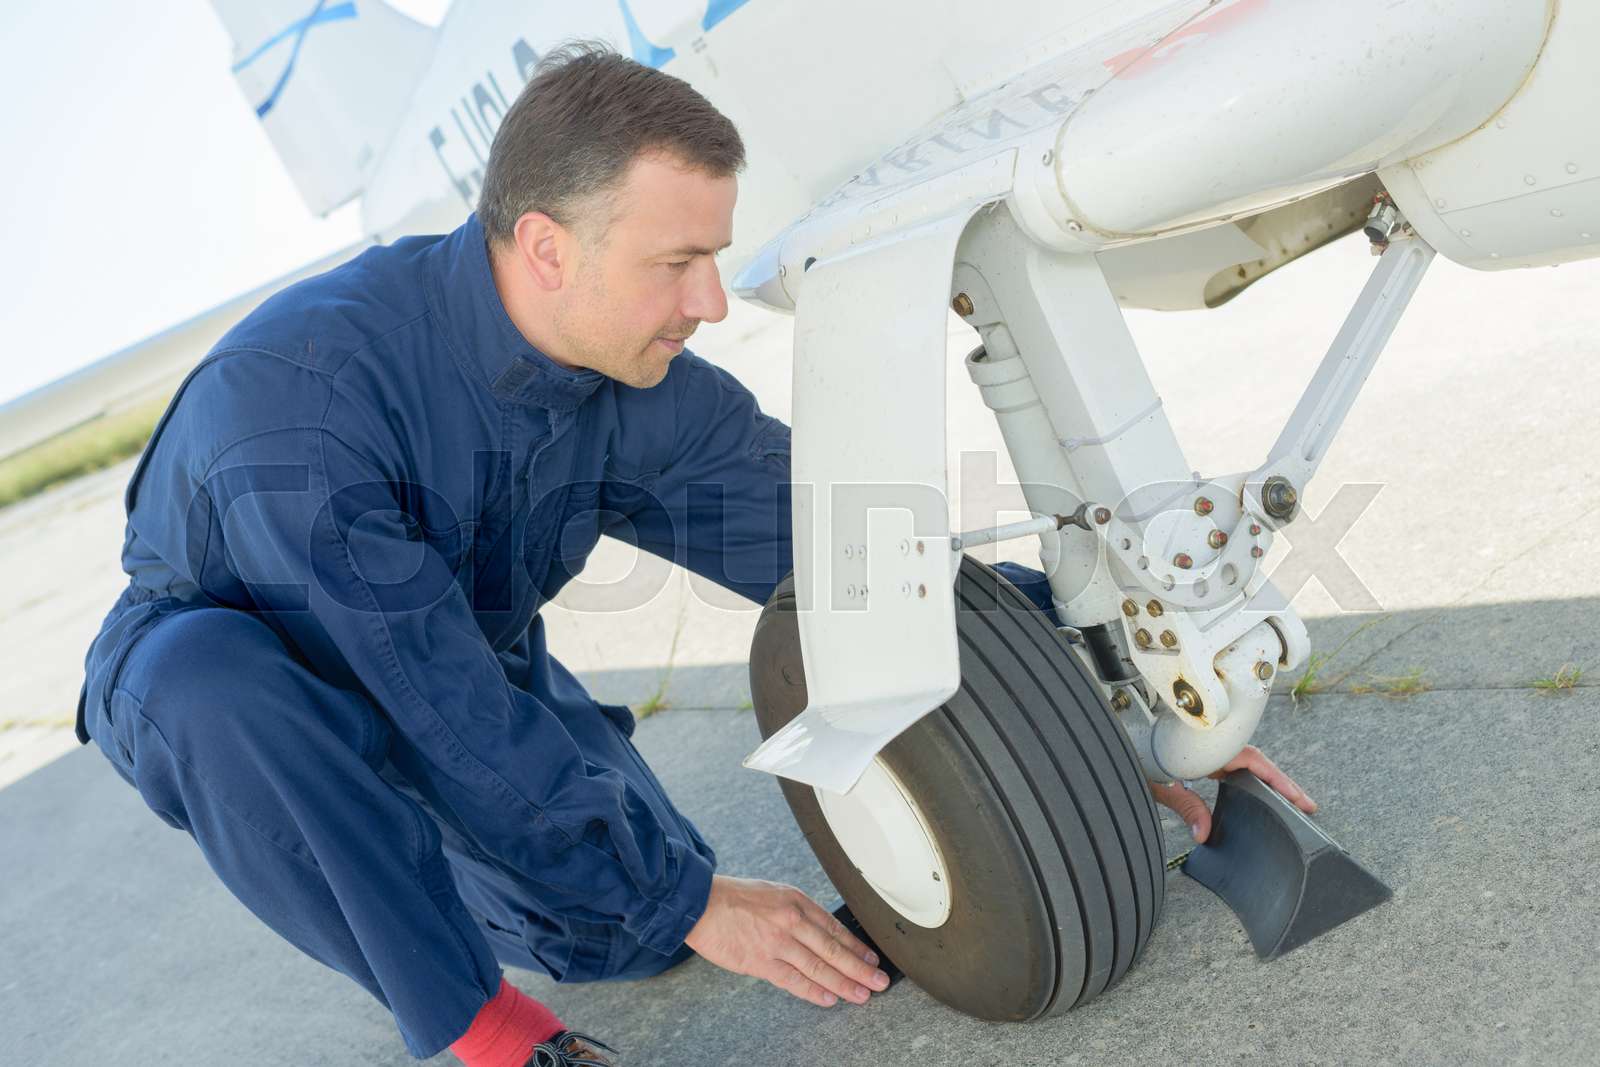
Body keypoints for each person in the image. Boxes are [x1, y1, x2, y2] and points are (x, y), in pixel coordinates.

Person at [74, 42, 1315, 1067]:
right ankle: (487, 1034)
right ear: (549, 246)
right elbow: (431, 700)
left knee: (625, 935)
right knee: (221, 694)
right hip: (234, 665)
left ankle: (585, 925)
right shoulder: (304, 411)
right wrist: (690, 895)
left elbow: (858, 556)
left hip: (465, 651)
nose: (712, 301)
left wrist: (1087, 681)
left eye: (714, 256)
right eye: (677, 263)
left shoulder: (627, 374)